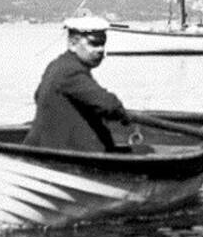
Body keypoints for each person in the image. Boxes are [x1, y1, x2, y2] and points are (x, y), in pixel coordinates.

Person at [26, 15, 133, 152]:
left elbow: (37, 96)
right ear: (73, 44)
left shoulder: (56, 65)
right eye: (94, 44)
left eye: (102, 44)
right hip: (63, 153)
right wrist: (123, 115)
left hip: (50, 147)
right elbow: (108, 104)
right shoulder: (71, 72)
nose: (100, 50)